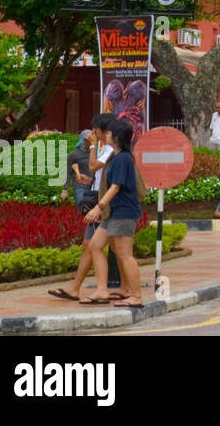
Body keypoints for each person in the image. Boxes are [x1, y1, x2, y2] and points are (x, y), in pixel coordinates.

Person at [48, 115, 115, 304]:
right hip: (97, 196)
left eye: (94, 130)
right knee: (90, 245)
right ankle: (75, 288)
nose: (92, 134)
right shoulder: (102, 147)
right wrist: (91, 181)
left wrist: (93, 146)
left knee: (109, 248)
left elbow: (95, 166)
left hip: (103, 203)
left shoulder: (109, 148)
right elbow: (101, 174)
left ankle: (117, 290)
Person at [83, 119, 144, 307]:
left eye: (109, 133)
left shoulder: (123, 158)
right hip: (114, 212)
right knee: (94, 246)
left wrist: (98, 207)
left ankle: (136, 295)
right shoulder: (116, 157)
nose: (105, 135)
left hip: (124, 212)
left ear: (116, 137)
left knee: (125, 254)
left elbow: (116, 187)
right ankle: (102, 290)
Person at [60, 129, 93, 208]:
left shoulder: (94, 153)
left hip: (92, 186)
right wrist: (65, 189)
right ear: (83, 140)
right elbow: (68, 172)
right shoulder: (74, 154)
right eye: (88, 139)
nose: (90, 141)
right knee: (82, 208)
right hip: (79, 187)